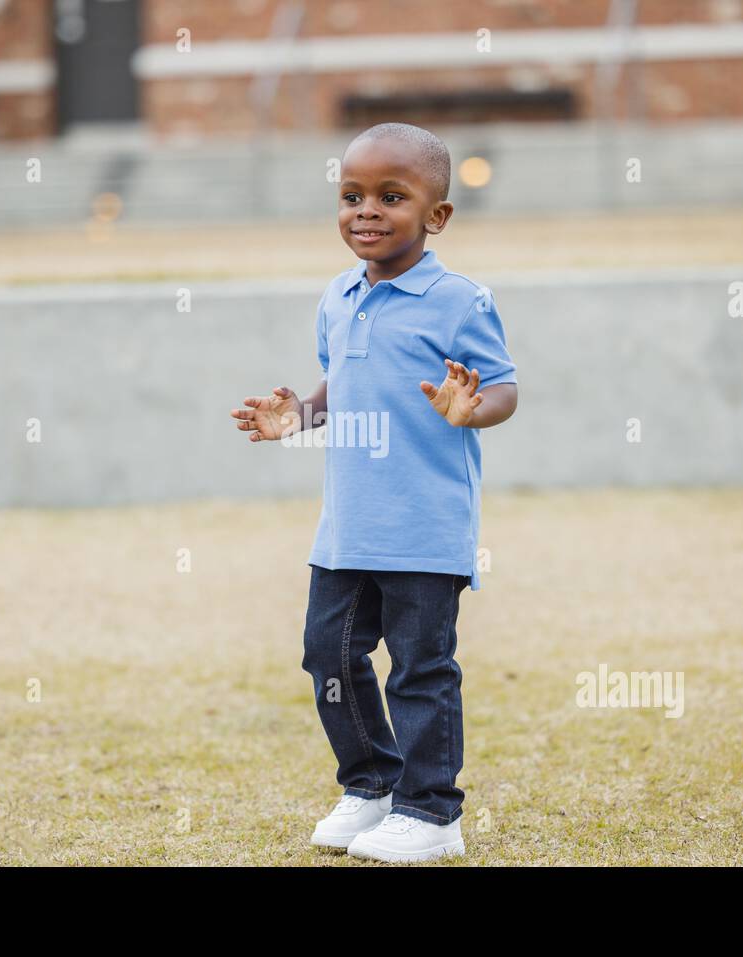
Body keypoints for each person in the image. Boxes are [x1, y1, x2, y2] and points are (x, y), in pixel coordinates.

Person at [228, 122, 518, 862]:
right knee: (328, 655)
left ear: (437, 215)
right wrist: (296, 418)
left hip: (424, 526)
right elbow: (342, 387)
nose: (366, 211)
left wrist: (470, 407)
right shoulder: (338, 294)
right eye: (351, 195)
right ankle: (372, 786)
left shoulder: (459, 300)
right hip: (347, 527)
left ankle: (431, 811)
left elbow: (504, 390)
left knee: (420, 669)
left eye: (391, 197)